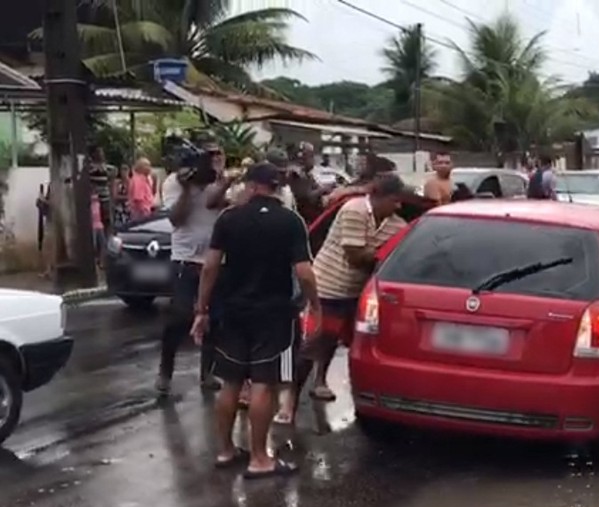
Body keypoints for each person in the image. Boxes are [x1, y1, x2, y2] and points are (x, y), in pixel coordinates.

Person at [191, 163, 320, 479]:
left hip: (232, 311)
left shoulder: (229, 218)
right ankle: (260, 458)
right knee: (264, 382)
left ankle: (225, 451)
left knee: (230, 382)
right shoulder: (291, 222)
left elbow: (209, 267)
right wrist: (313, 303)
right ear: (276, 188)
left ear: (251, 186)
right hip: (274, 313)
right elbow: (304, 271)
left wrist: (201, 310)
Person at [279, 175, 409, 419]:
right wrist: (384, 252)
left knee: (335, 342)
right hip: (328, 287)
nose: (398, 206)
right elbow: (355, 255)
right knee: (313, 344)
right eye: (394, 200)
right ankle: (290, 403)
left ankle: (320, 381)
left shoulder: (396, 224)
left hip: (358, 292)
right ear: (379, 197)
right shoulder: (354, 210)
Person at [156, 140, 228, 394]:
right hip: (185, 259)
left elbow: (221, 204)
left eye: (218, 154)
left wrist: (222, 181)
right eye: (209, 155)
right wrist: (188, 189)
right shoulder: (174, 183)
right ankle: (165, 371)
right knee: (181, 316)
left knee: (214, 319)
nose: (214, 159)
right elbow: (176, 219)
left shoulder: (219, 181)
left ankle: (206, 373)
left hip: (214, 259)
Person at [288, 142, 332, 223]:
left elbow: (315, 187)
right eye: (311, 156)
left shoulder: (307, 174)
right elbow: (307, 197)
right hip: (304, 219)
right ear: (302, 158)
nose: (313, 160)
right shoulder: (296, 174)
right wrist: (322, 190)